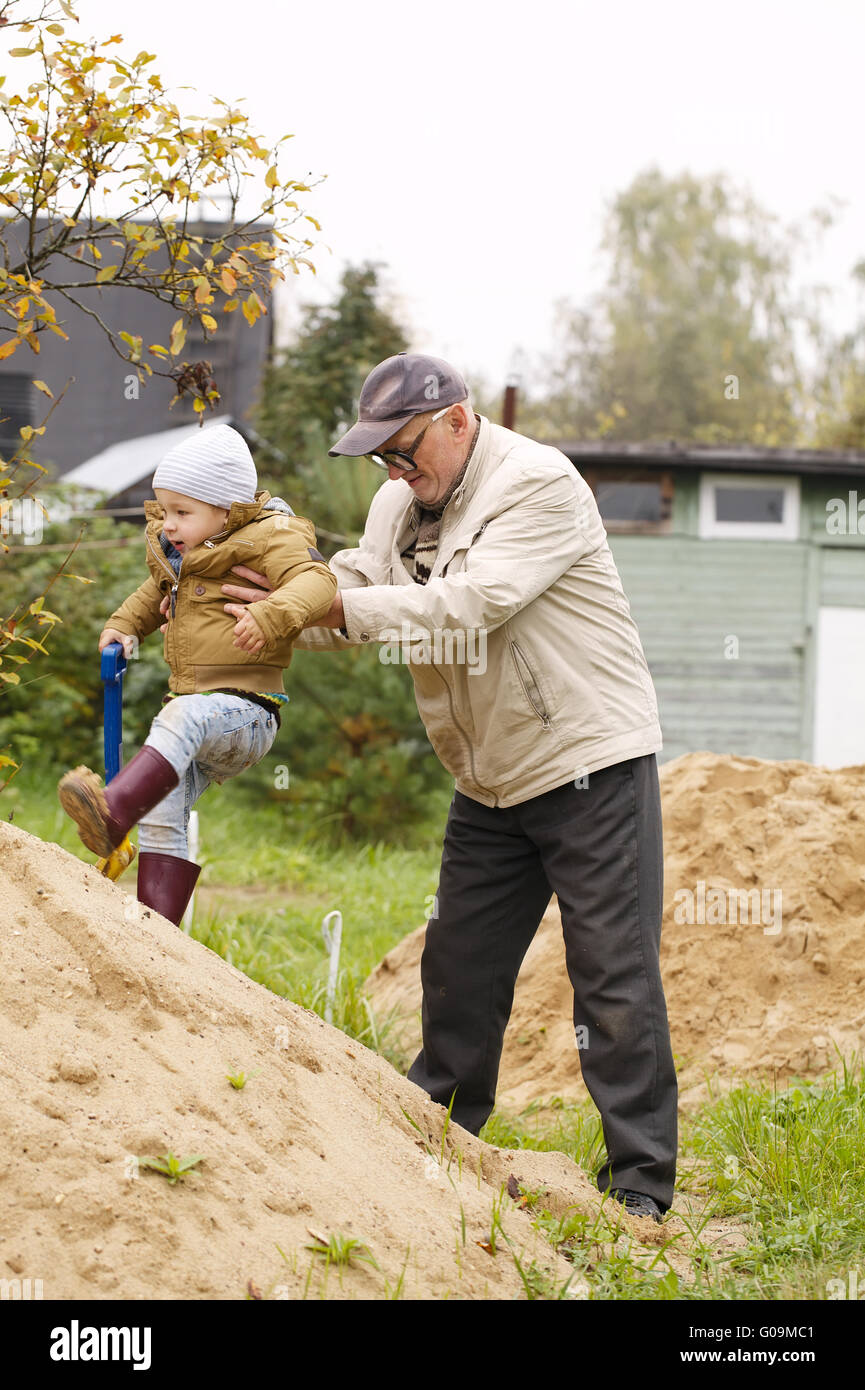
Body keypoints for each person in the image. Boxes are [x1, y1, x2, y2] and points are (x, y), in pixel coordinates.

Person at [217, 353, 678, 1222]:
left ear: (459, 421)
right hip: (487, 778)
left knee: (612, 979)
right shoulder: (401, 500)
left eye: (406, 450)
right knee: (458, 971)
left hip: (587, 762)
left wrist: (329, 608)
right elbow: (355, 585)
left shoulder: (538, 485)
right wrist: (268, 602)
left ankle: (640, 1191)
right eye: (380, 459)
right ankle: (435, 1149)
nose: (394, 472)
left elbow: (468, 605)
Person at [57, 423, 337, 926]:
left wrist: (273, 615)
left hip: (248, 712)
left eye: (183, 512)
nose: (168, 524)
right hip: (196, 715)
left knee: (181, 714)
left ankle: (113, 813)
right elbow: (151, 594)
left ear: (227, 512)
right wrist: (123, 627)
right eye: (165, 510)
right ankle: (156, 935)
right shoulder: (180, 554)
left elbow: (317, 580)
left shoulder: (270, 537)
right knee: (164, 812)